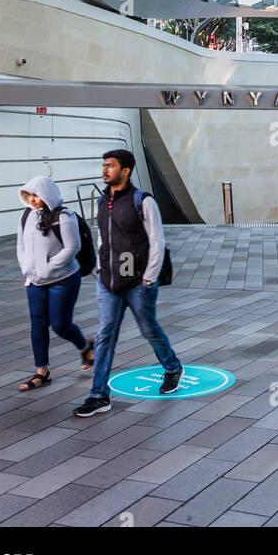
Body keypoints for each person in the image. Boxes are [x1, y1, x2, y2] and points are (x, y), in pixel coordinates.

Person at [72, 150, 182, 418]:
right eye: (104, 166)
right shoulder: (101, 201)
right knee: (106, 334)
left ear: (126, 170)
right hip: (108, 281)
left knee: (148, 328)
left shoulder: (142, 201)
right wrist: (100, 269)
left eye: (110, 166)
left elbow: (157, 241)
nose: (104, 171)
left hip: (138, 282)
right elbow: (102, 238)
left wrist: (148, 278)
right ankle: (98, 395)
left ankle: (172, 368)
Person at [16, 176, 94, 392]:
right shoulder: (26, 216)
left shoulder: (65, 216)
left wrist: (47, 268)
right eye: (29, 195)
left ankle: (85, 346)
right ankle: (42, 372)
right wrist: (28, 269)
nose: (32, 199)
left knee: (60, 325)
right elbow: (21, 246)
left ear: (47, 194)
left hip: (64, 279)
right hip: (35, 281)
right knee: (38, 324)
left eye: (36, 194)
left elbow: (72, 248)